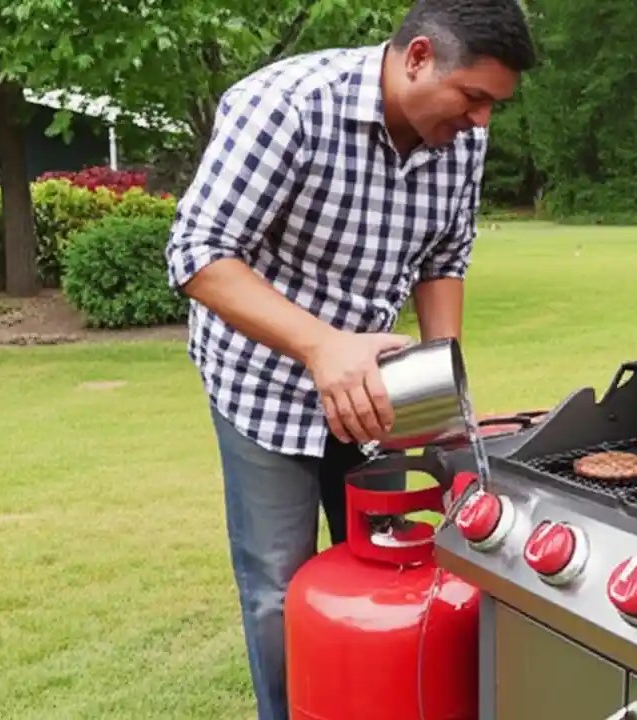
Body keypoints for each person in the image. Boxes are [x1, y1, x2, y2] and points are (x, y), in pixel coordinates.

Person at [163, 0, 536, 717]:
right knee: (280, 588)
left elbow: (444, 256)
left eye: (494, 105)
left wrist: (441, 376)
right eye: (475, 98)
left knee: (397, 563)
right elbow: (196, 252)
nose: (483, 122)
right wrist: (321, 347)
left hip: (381, 395)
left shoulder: (461, 140)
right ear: (419, 56)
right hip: (263, 388)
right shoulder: (286, 107)